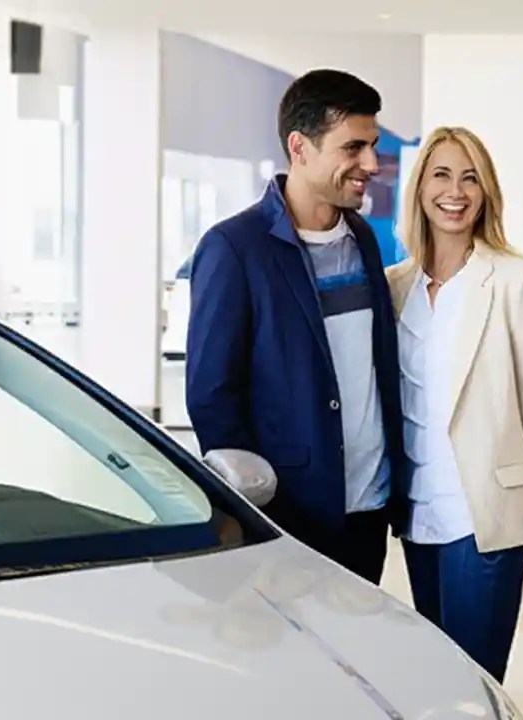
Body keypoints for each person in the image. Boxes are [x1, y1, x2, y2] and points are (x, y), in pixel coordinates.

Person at [385, 126, 523, 682]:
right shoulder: (393, 286)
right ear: (419, 188)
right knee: (433, 674)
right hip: (417, 511)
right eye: (441, 174)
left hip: (484, 510)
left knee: (474, 679)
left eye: (470, 177)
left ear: (486, 193)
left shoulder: (512, 278)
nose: (455, 191)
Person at [185, 69, 408, 585]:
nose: (371, 164)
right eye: (353, 148)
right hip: (288, 515)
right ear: (300, 147)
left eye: (372, 146)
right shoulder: (234, 249)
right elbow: (212, 396)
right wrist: (253, 507)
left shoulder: (363, 240)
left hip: (368, 507)